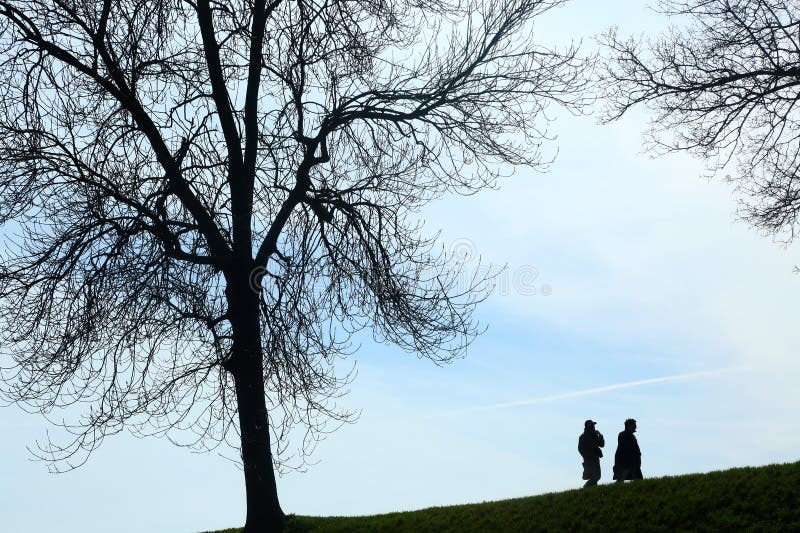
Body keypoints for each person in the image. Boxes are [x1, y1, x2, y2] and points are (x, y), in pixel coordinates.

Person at [613, 418, 643, 482]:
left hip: (630, 462)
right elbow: (625, 449)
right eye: (634, 425)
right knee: (621, 478)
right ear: (629, 426)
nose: (635, 427)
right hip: (625, 462)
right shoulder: (623, 435)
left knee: (638, 479)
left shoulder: (630, 435)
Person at [578, 419, 605, 487]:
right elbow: (580, 449)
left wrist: (600, 435)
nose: (594, 426)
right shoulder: (583, 437)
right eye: (593, 425)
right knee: (596, 476)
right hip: (589, 460)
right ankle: (585, 487)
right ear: (589, 426)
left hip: (595, 458)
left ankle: (593, 489)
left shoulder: (593, 435)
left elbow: (601, 444)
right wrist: (586, 456)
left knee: (595, 476)